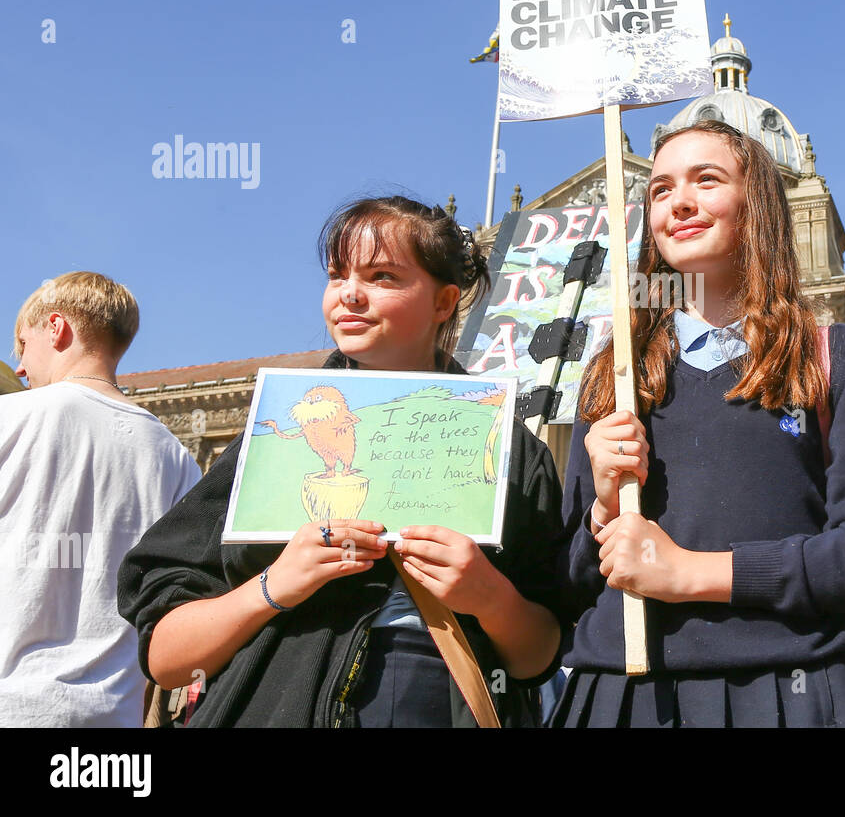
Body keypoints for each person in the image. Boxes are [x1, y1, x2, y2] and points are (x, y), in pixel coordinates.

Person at [118, 196, 567, 727]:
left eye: (381, 276)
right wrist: (274, 586)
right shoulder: (266, 444)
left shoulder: (514, 454)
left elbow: (540, 656)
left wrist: (490, 596)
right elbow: (167, 659)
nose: (350, 294)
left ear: (445, 302)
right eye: (337, 275)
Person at [551, 119, 845, 727]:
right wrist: (602, 507)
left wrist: (688, 574)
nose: (679, 201)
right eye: (658, 190)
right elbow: (569, 580)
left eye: (706, 180)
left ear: (756, 202)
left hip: (787, 691)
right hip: (619, 695)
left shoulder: (840, 356)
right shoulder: (611, 371)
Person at [0, 272, 200, 727]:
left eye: (22, 345)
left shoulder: (8, 417)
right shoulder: (178, 460)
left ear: (56, 327)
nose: (21, 369)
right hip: (110, 718)